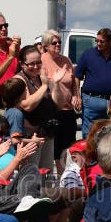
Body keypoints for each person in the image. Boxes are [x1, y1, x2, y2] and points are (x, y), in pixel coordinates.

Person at [11, 45, 66, 170]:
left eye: (38, 63)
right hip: (30, 138)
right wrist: (44, 86)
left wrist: (56, 84)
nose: (36, 67)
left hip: (46, 135)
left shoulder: (42, 78)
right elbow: (27, 105)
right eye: (31, 64)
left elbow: (59, 104)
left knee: (46, 173)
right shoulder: (19, 80)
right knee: (31, 173)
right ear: (22, 64)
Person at [41, 29, 80, 172]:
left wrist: (76, 95)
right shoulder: (42, 61)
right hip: (52, 111)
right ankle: (54, 180)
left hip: (68, 110)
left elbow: (73, 81)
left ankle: (62, 178)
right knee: (54, 148)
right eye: (54, 42)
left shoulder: (66, 60)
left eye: (59, 42)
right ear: (45, 45)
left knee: (67, 146)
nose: (58, 44)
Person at [75, 28, 111, 136]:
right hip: (91, 101)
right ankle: (88, 153)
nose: (98, 43)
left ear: (110, 41)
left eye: (101, 41)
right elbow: (77, 76)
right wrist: (78, 96)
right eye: (96, 41)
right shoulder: (88, 55)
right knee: (89, 134)